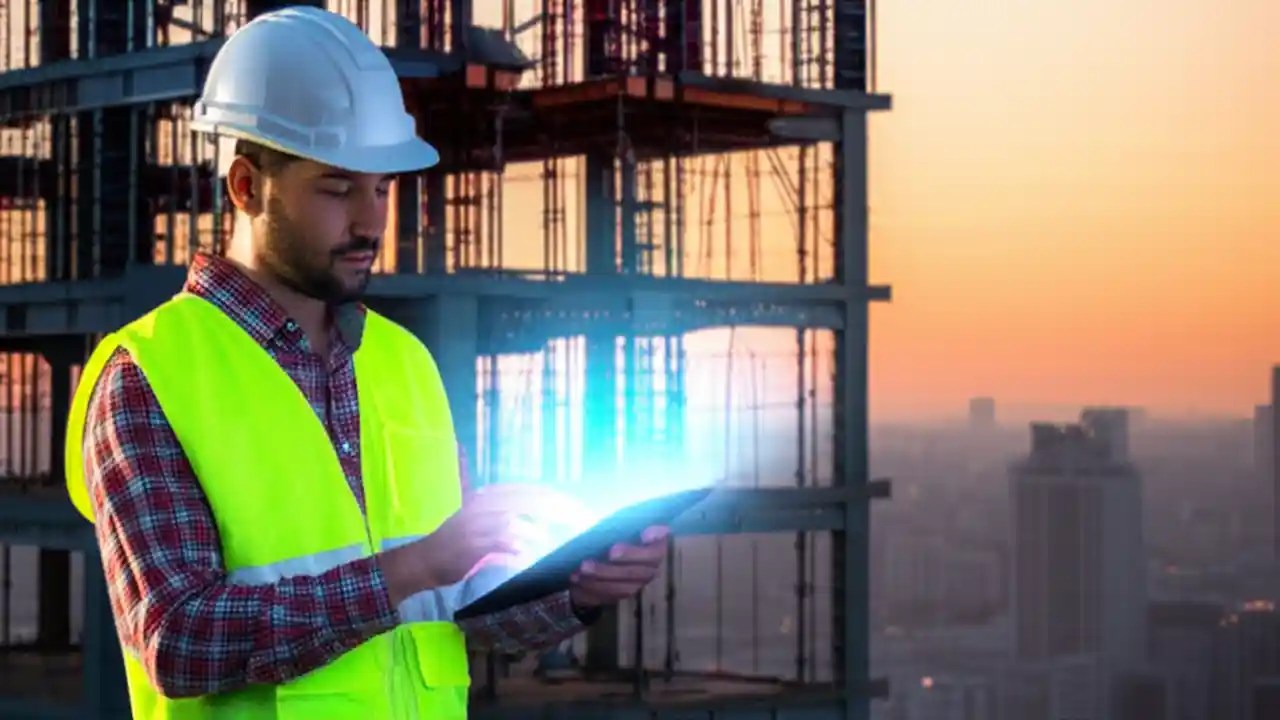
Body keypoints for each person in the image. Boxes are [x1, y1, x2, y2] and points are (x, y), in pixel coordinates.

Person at [62, 6, 667, 719]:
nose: (371, 221)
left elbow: (455, 612)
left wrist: (578, 591)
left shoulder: (402, 363)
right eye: (336, 187)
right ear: (247, 187)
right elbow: (177, 639)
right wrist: (413, 567)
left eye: (381, 187)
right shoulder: (150, 375)